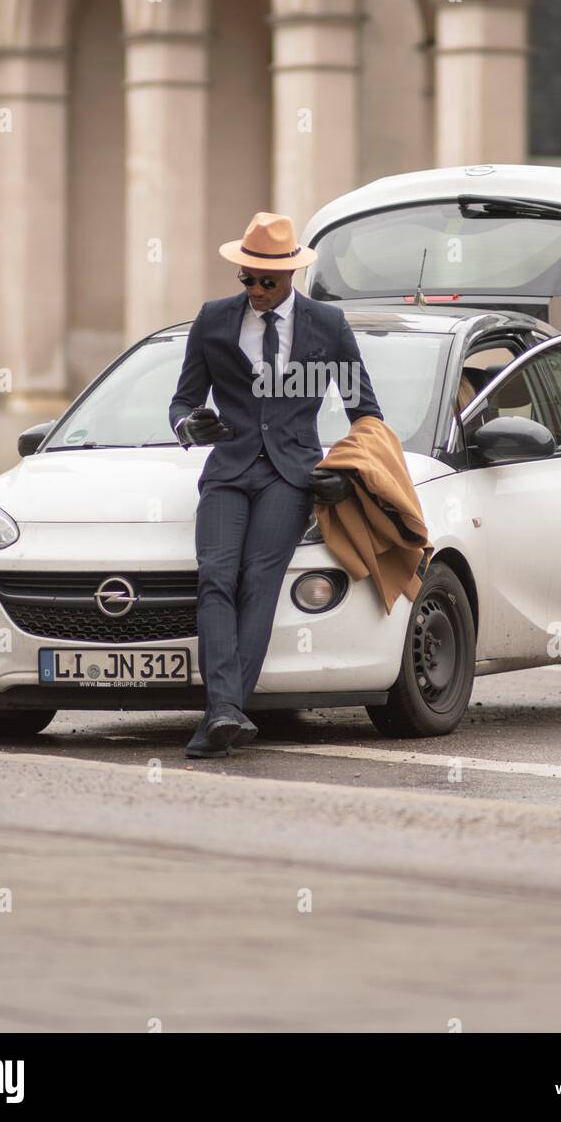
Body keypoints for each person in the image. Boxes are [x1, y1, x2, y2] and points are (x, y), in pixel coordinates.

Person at [168, 210, 382, 759]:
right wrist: (189, 426)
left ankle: (221, 712)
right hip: (228, 469)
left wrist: (345, 471)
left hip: (291, 474)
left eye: (267, 281)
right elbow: (183, 400)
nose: (256, 290)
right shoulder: (214, 320)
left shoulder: (327, 326)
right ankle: (224, 711)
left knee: (258, 580)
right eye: (247, 279)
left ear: (291, 276)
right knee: (215, 576)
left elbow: (365, 411)